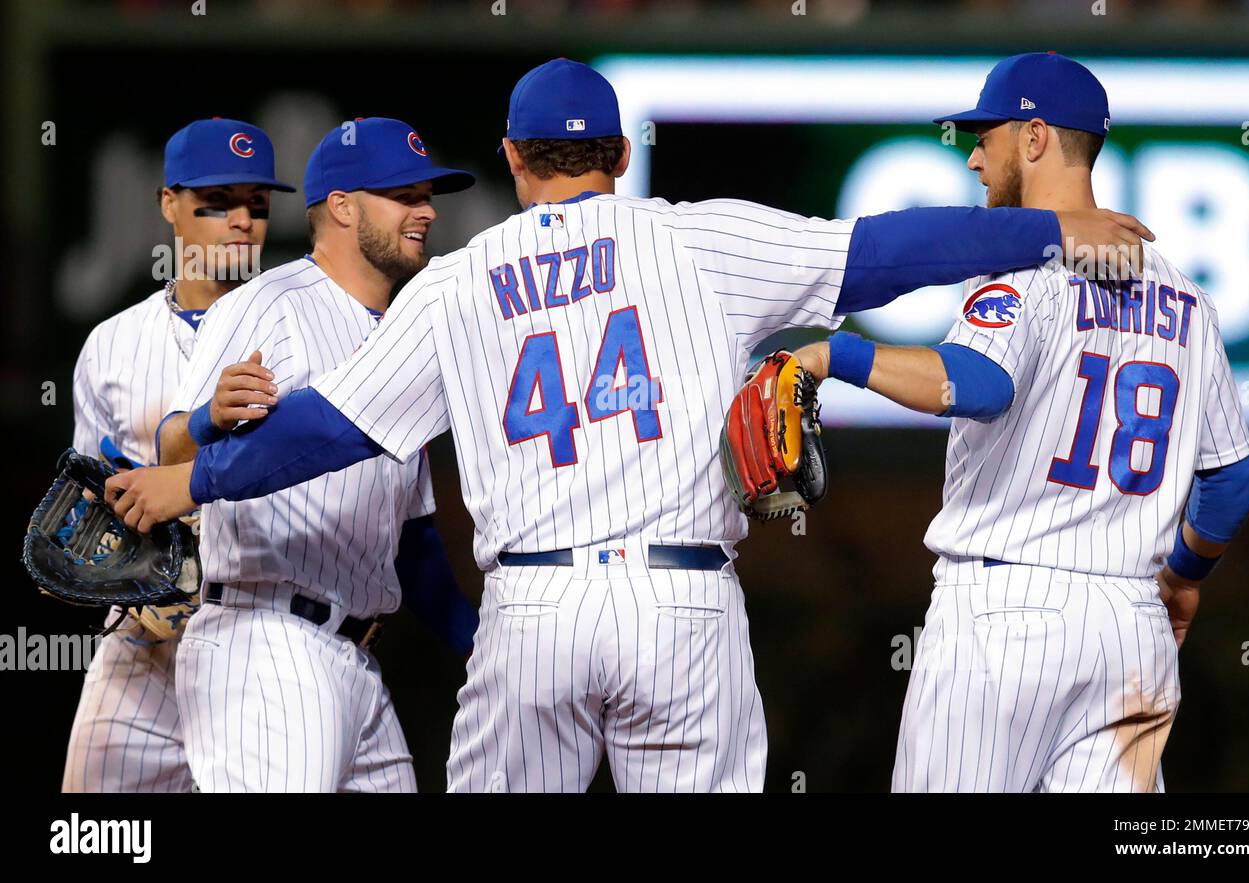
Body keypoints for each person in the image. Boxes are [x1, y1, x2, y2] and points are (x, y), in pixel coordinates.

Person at [105, 59, 1154, 793]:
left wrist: (192, 482)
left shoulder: (458, 285)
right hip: (679, 600)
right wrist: (1046, 228)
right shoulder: (698, 241)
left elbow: (329, 429)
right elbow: (886, 252)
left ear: (514, 160)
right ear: (618, 151)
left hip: (536, 608)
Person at [791, 53, 1249, 792]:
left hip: (1005, 616)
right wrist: (1184, 576)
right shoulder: (1190, 301)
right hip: (1131, 627)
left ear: (1035, 136)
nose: (975, 156)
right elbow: (1230, 482)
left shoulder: (1023, 264)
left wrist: (832, 353)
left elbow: (974, 382)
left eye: (988, 136)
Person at [150, 117, 477, 792]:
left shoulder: (403, 334)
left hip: (353, 660)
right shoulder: (274, 300)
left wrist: (484, 645)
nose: (425, 211)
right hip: (264, 637)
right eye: (403, 194)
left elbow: (412, 540)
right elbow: (168, 444)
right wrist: (209, 420)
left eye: (427, 194)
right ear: (342, 206)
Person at [63, 117, 294, 792]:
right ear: (169, 204)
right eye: (216, 204)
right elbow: (84, 506)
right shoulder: (113, 343)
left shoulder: (301, 330)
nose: (241, 222)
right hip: (141, 649)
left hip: (261, 644)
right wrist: (117, 569)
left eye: (256, 204)